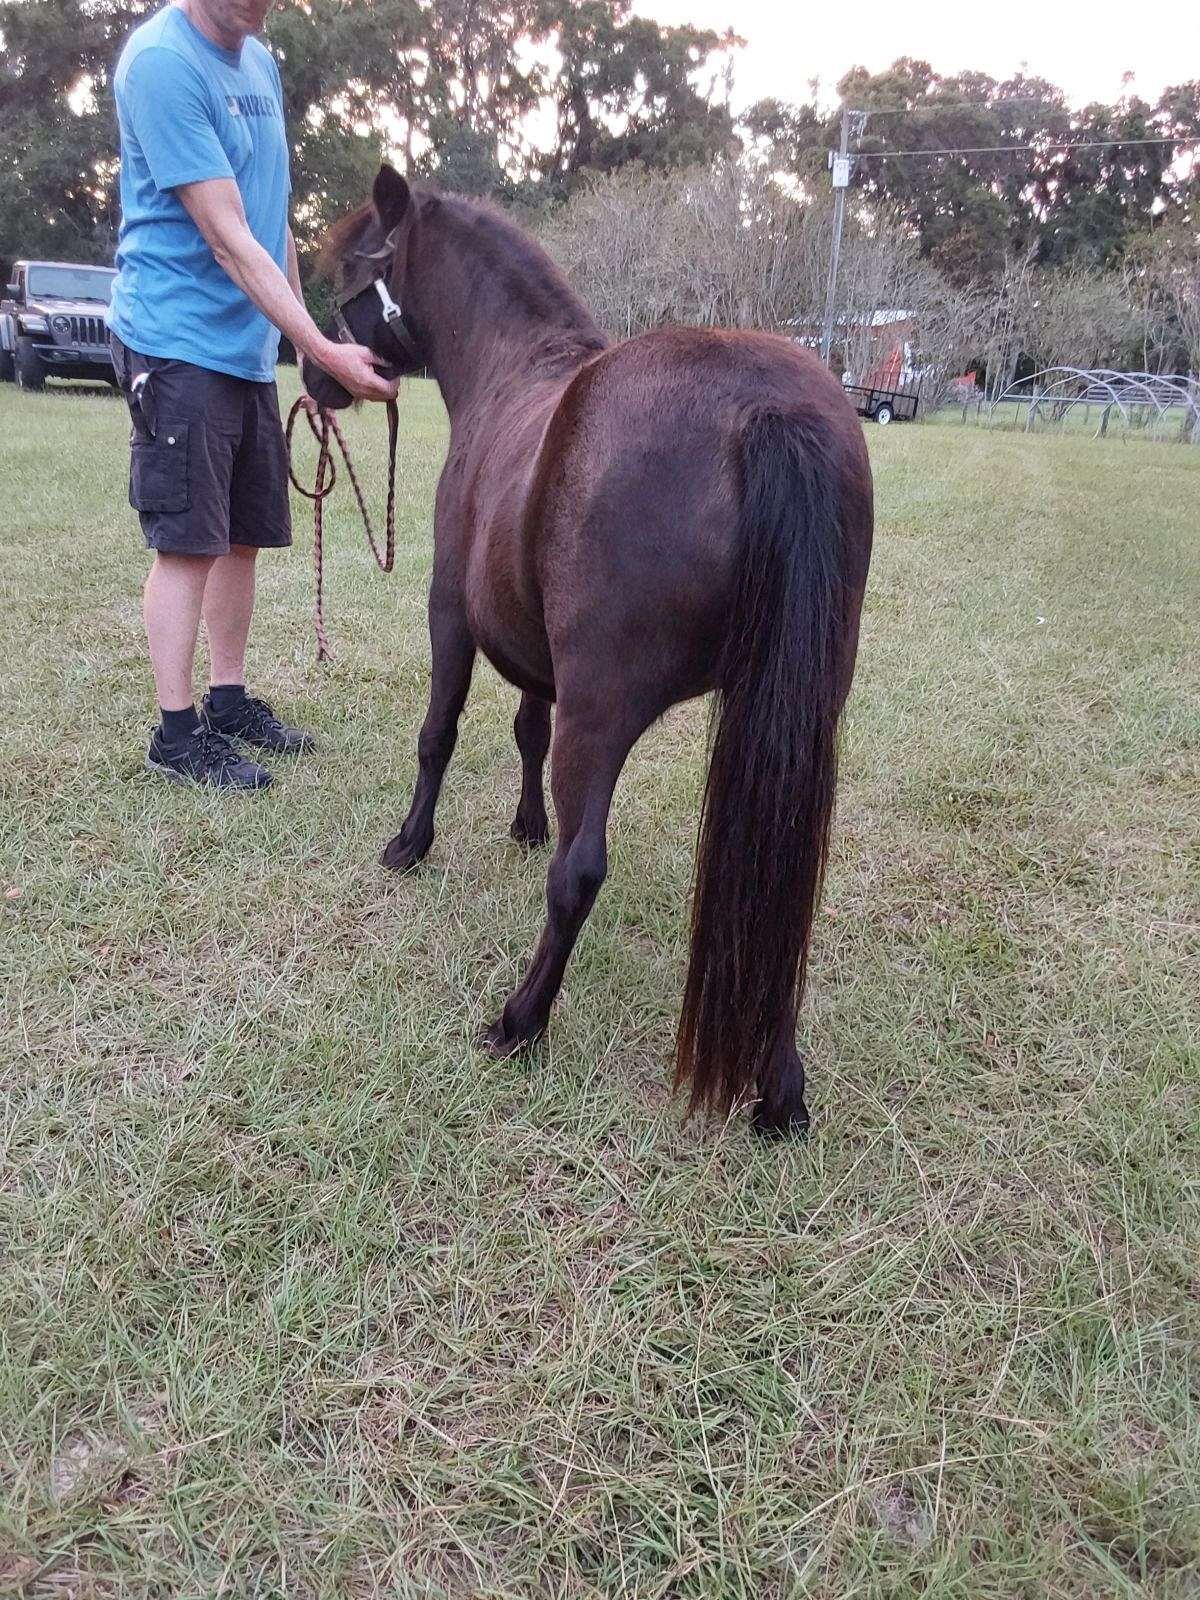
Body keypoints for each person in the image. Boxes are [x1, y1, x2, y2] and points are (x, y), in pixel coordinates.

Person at [108, 0, 398, 789]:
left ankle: (227, 701)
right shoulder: (163, 63)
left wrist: (303, 342)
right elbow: (228, 237)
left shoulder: (258, 61)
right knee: (188, 541)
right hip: (175, 338)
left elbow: (268, 223)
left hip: (242, 345)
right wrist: (321, 346)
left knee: (240, 535)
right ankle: (176, 735)